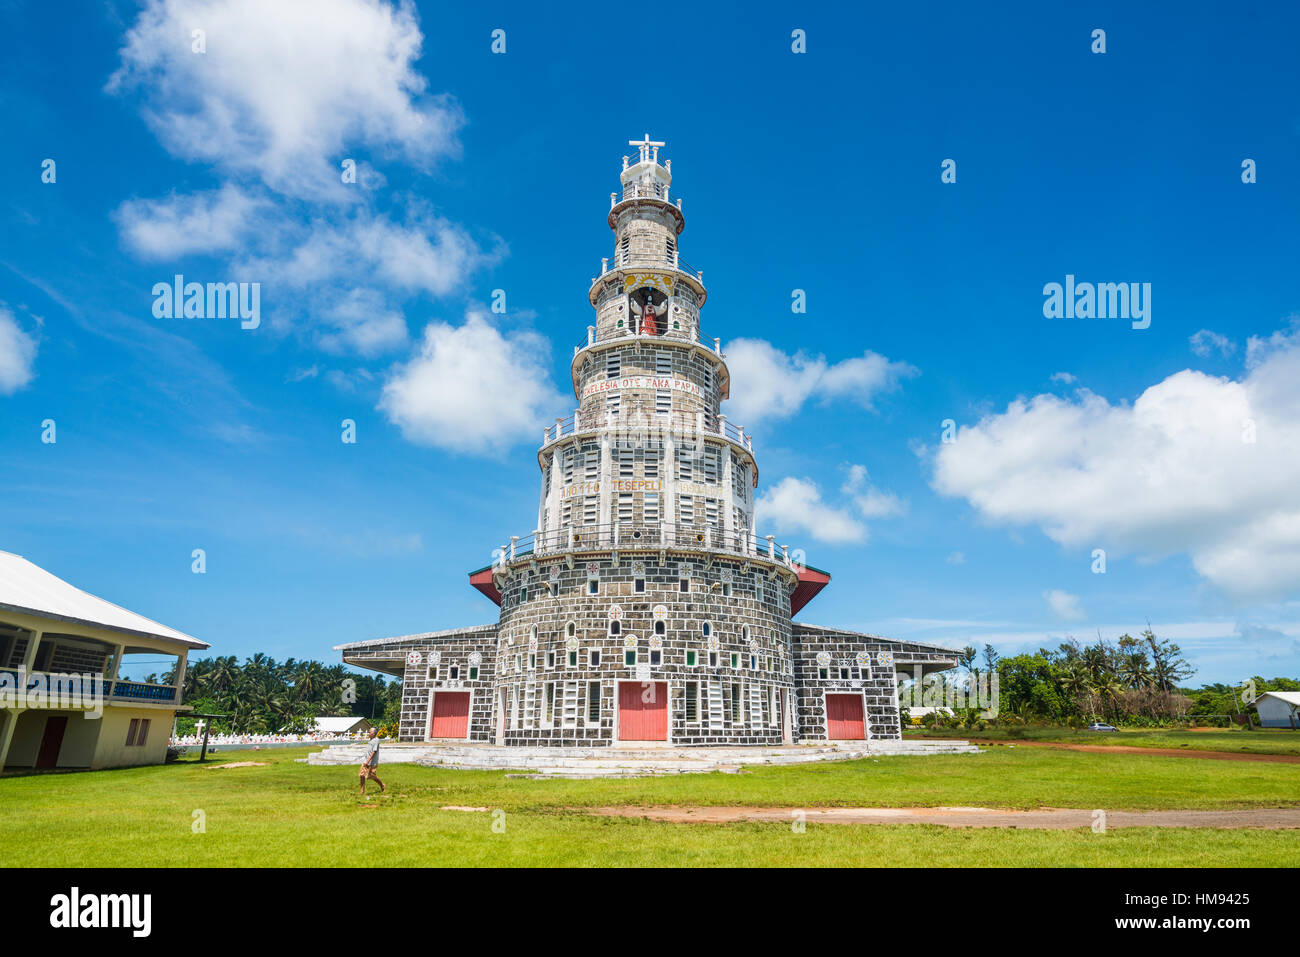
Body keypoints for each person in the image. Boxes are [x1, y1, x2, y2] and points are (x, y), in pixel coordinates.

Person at [358, 727, 385, 797]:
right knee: (362, 775)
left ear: (374, 733)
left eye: (369, 732)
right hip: (365, 761)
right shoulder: (370, 740)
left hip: (372, 762)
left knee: (370, 776)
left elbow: (374, 752)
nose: (368, 734)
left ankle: (382, 785)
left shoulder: (376, 740)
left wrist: (368, 761)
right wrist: (365, 761)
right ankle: (362, 791)